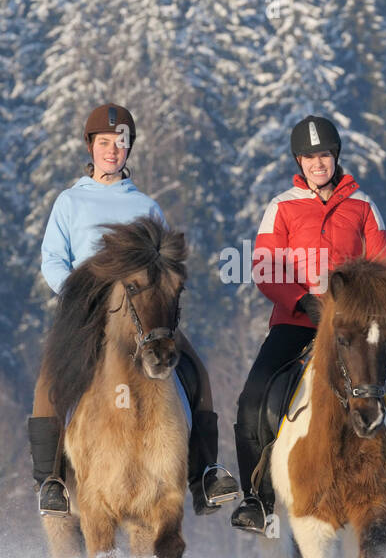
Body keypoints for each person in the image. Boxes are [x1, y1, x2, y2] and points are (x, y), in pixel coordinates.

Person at [27, 103, 238, 517]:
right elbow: (52, 260)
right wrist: (80, 292)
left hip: (145, 316)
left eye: (119, 142)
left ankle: (205, 474)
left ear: (129, 148)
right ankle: (51, 481)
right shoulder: (70, 202)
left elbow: (168, 263)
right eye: (104, 143)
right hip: (90, 318)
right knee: (49, 381)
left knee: (196, 372)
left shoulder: (146, 206)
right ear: (90, 147)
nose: (112, 150)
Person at [230, 114, 386, 533]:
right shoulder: (281, 206)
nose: (317, 164)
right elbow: (265, 267)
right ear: (298, 161)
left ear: (335, 157)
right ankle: (258, 499)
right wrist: (303, 301)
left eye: (323, 155)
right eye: (308, 157)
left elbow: (384, 266)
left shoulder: (362, 205)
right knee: (253, 399)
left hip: (355, 331)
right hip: (298, 323)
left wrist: (363, 306)